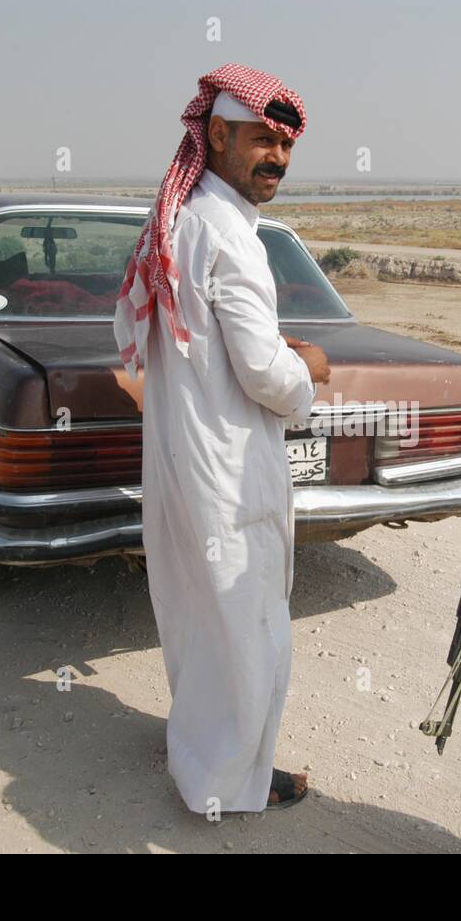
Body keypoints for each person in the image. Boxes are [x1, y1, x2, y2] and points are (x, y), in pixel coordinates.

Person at [113, 64, 330, 815]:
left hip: (185, 463)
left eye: (285, 144)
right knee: (248, 631)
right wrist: (311, 369)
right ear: (216, 135)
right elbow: (267, 377)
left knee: (202, 623)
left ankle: (205, 755)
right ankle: (228, 783)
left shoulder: (188, 219)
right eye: (263, 140)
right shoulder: (228, 237)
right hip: (229, 473)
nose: (277, 157)